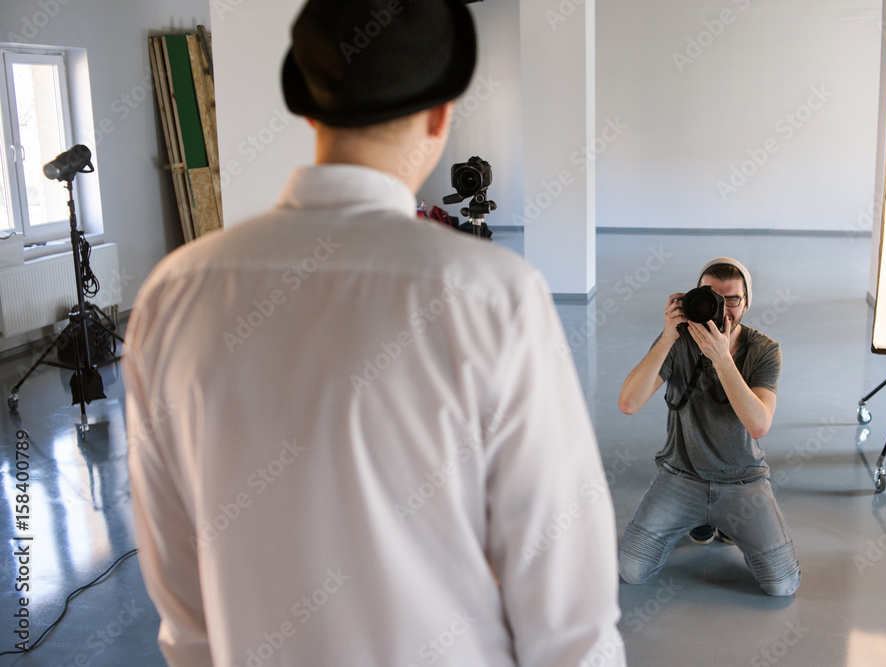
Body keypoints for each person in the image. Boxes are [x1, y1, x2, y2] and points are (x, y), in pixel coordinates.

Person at [124, 1, 625, 664]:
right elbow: (568, 619)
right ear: (442, 114)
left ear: (307, 108)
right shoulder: (494, 297)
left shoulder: (173, 293)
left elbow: (186, 617)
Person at [616, 257, 800, 596]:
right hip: (681, 476)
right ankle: (703, 518)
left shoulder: (764, 350)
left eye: (732, 300)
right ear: (694, 298)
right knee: (631, 569)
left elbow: (759, 425)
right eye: (712, 297)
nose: (723, 309)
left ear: (747, 303)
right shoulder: (677, 340)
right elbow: (628, 403)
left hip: (743, 481)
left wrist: (723, 359)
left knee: (783, 584)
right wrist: (668, 337)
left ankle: (724, 519)